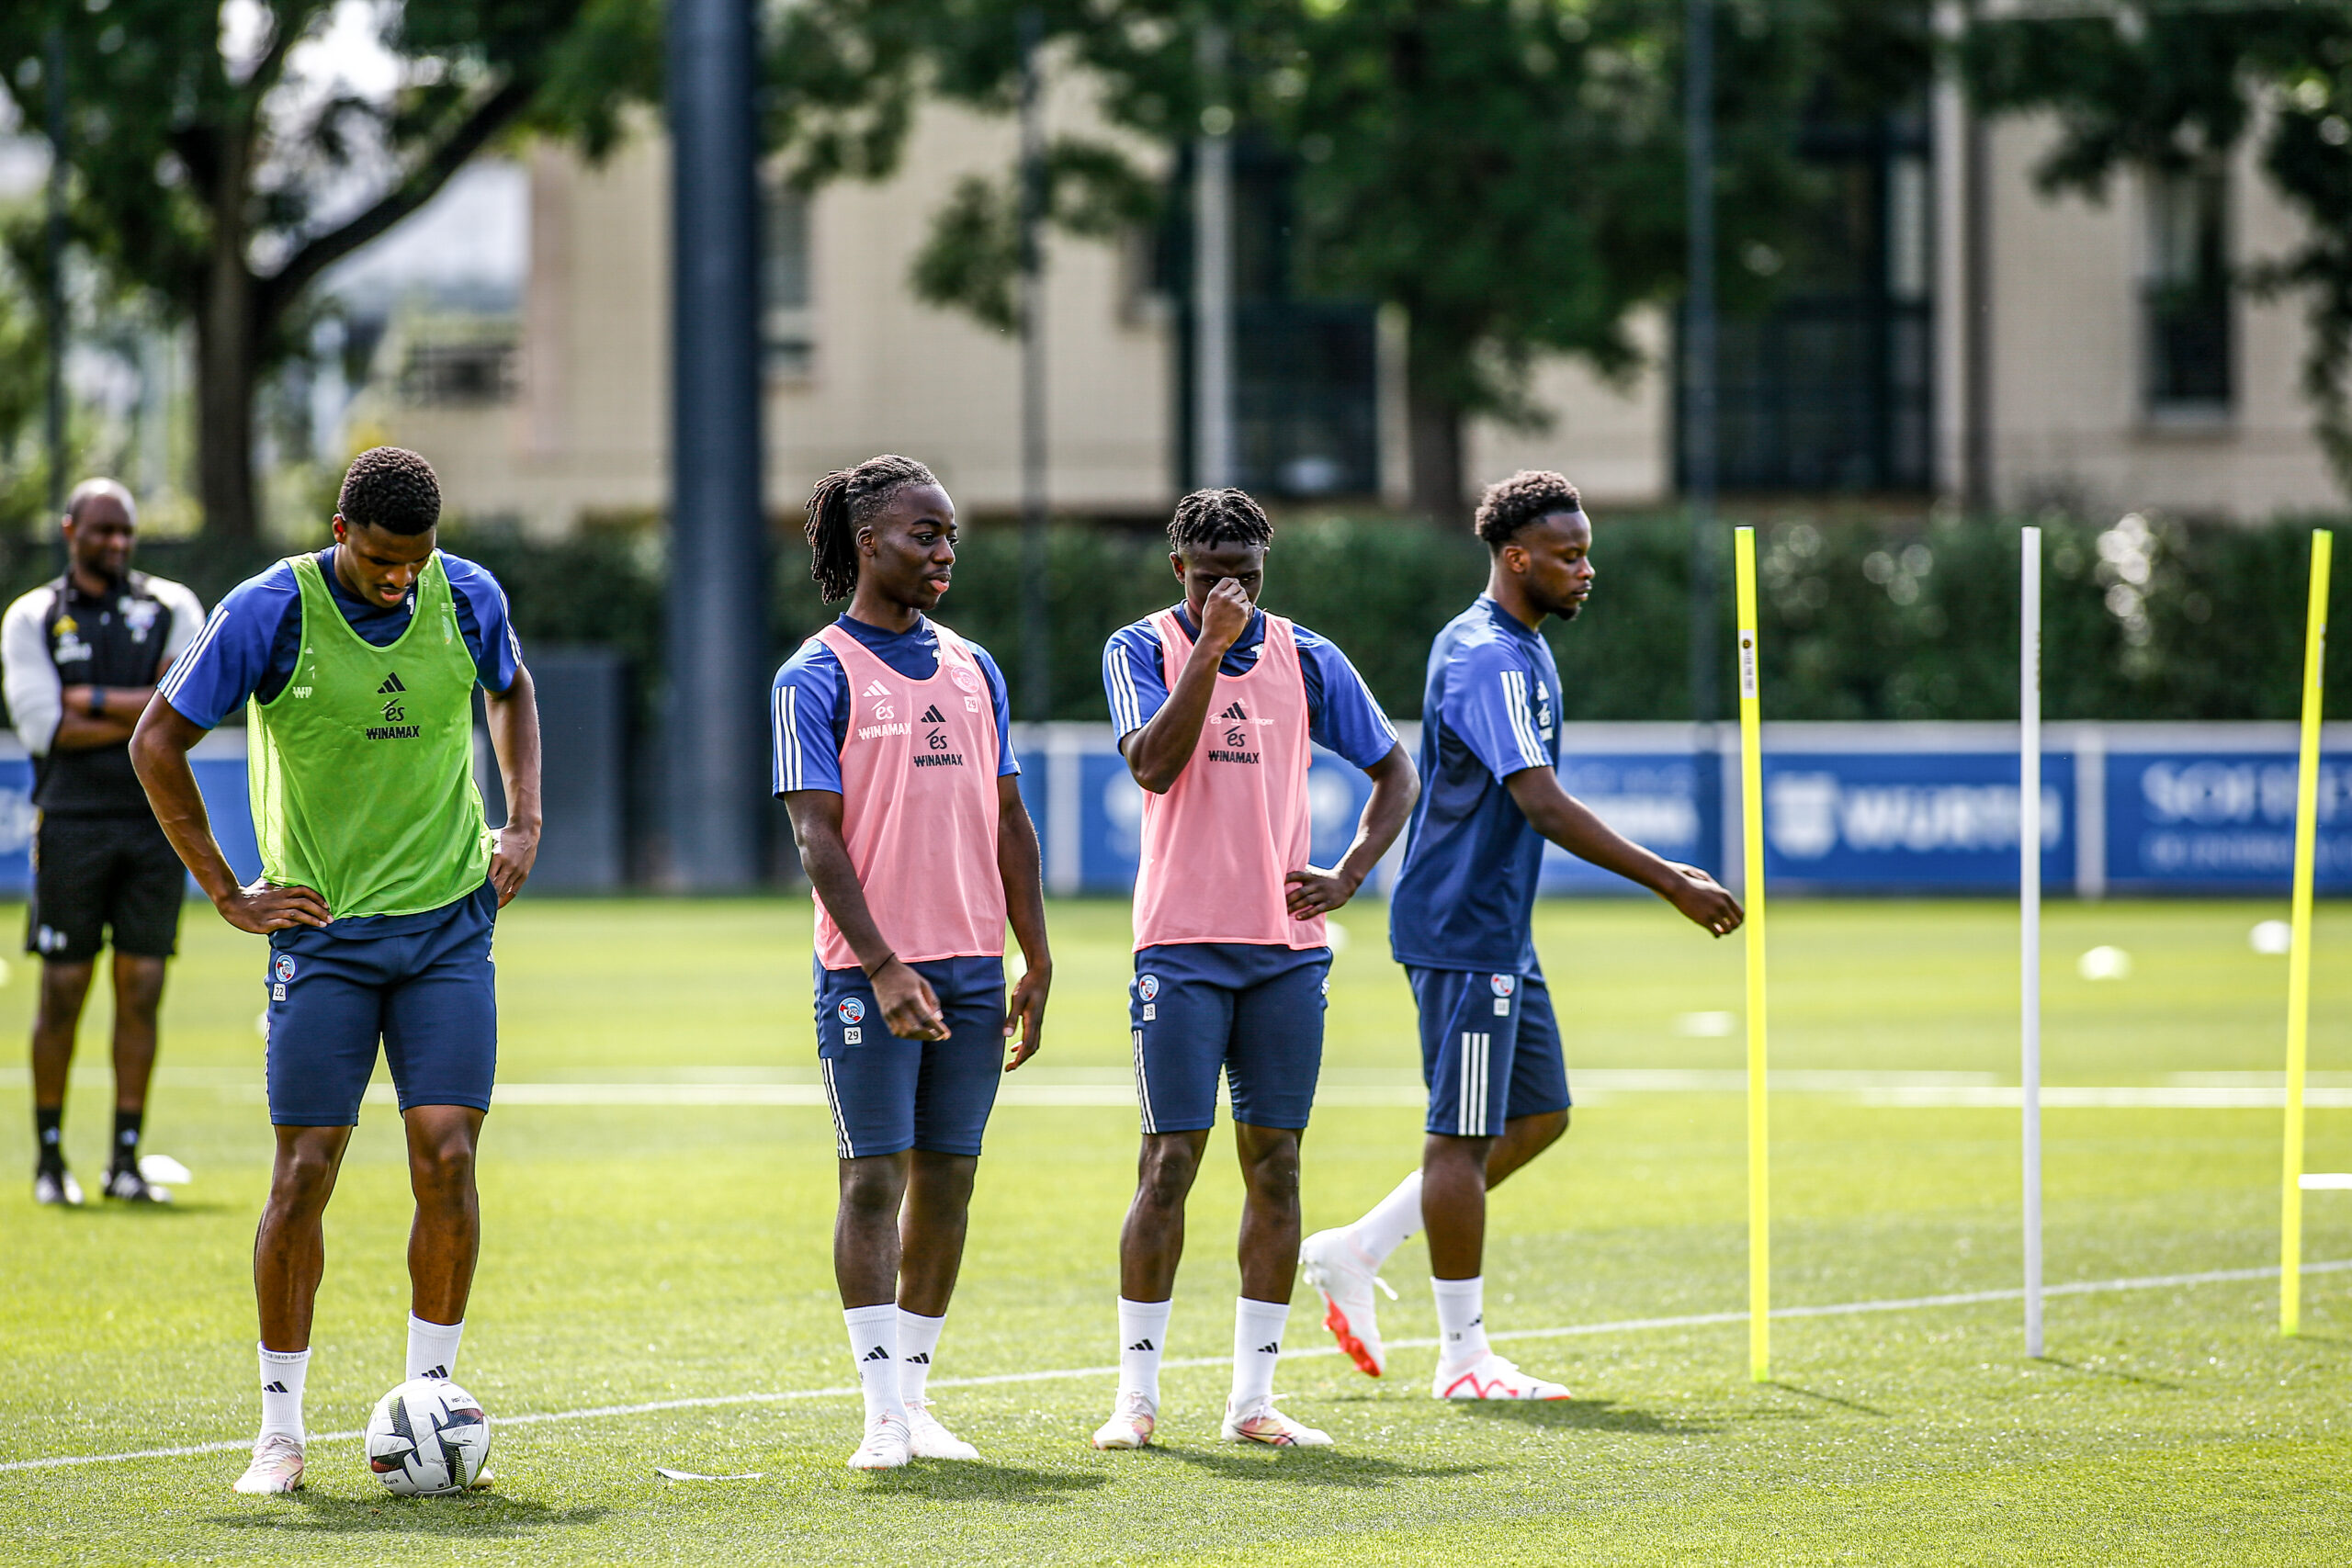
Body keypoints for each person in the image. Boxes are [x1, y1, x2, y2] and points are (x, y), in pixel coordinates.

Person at [130, 446, 540, 1495]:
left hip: (449, 929)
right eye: (382, 559)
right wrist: (227, 892)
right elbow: (156, 742)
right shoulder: (270, 610)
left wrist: (523, 818)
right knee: (304, 1173)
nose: (401, 576)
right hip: (323, 940)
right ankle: (279, 1432)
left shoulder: (471, 596)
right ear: (341, 530)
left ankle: (432, 1404)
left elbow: (512, 689)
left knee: (446, 1158)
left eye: (417, 559)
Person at [1298, 469, 1742, 1401]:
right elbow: (1536, 801)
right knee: (1458, 1139)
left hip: (1496, 929)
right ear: (1515, 558)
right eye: (1568, 555)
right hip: (1461, 931)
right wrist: (1668, 879)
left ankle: (1357, 1248)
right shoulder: (1485, 656)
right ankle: (1463, 1363)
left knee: (1539, 1116)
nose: (1587, 570)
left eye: (1587, 552)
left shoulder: (1523, 646)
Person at [1090, 488, 1418, 1451]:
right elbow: (1152, 765)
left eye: (1247, 574)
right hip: (1181, 947)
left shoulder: (1309, 657)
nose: (1229, 590)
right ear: (1175, 571)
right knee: (1168, 1167)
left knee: (1275, 1168)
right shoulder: (1137, 648)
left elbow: (1395, 772)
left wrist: (1352, 871)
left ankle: (1252, 1401)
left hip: (1284, 954)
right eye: (1207, 576)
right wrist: (1205, 649)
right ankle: (1136, 1400)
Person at [773, 455, 1052, 1472]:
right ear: (866, 545)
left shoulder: (976, 667)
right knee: (871, 1182)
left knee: (950, 1181)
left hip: (976, 965)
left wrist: (1035, 951)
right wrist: (885, 967)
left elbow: (1008, 818)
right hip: (868, 975)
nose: (942, 553)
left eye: (948, 538)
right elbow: (816, 838)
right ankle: (879, 1410)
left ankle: (921, 1398)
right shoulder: (814, 674)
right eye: (923, 535)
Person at [4, 479, 205, 1205]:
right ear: (70, 531)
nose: (118, 543)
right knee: (62, 989)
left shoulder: (172, 605)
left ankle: (125, 1159)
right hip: (72, 821)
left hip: (155, 822)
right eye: (103, 531)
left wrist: (84, 697)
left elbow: (187, 708)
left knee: (143, 989)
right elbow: (40, 726)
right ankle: (50, 1157)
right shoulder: (33, 614)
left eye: (127, 532)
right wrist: (141, 711)